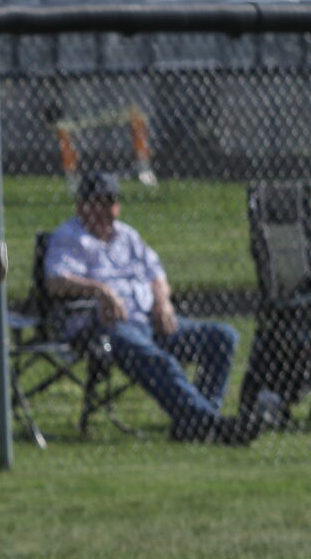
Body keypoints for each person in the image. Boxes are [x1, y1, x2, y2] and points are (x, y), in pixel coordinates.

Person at [44, 172, 259, 445]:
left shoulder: (128, 236)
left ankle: (197, 422)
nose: (106, 209)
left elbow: (155, 272)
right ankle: (207, 423)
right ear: (81, 206)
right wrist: (101, 291)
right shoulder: (69, 237)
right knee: (160, 361)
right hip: (106, 329)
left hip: (149, 321)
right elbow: (56, 281)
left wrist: (163, 302)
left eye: (111, 202)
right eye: (98, 202)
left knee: (222, 337)